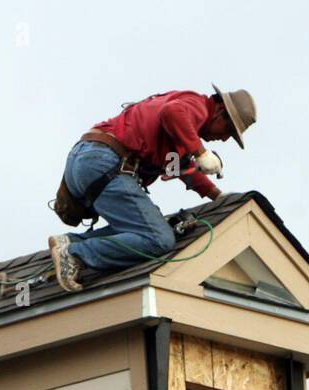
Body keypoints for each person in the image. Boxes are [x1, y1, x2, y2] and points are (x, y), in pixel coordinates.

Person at [49, 86, 256, 291]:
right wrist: (201, 152)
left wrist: (217, 196)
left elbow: (182, 168)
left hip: (87, 160)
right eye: (229, 131)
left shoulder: (180, 132)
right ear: (220, 112)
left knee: (145, 228)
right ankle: (76, 254)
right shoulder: (198, 106)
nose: (225, 138)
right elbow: (172, 112)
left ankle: (69, 243)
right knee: (159, 239)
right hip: (106, 163)